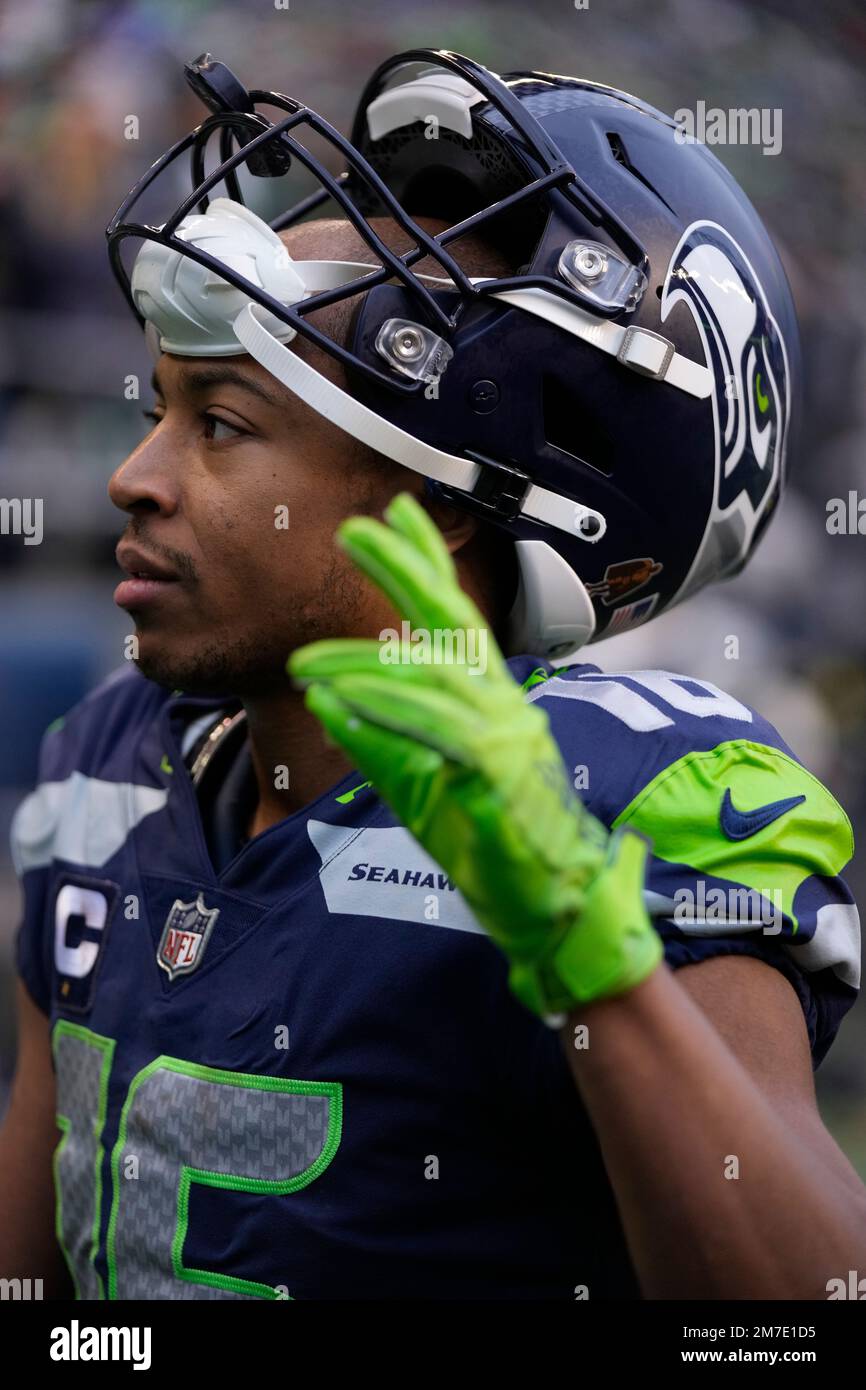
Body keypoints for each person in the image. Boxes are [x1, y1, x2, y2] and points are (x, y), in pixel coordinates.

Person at [1, 49, 862, 1300]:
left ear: (440, 508)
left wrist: (583, 943)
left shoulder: (640, 798)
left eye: (223, 425)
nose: (137, 475)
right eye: (156, 406)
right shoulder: (107, 760)